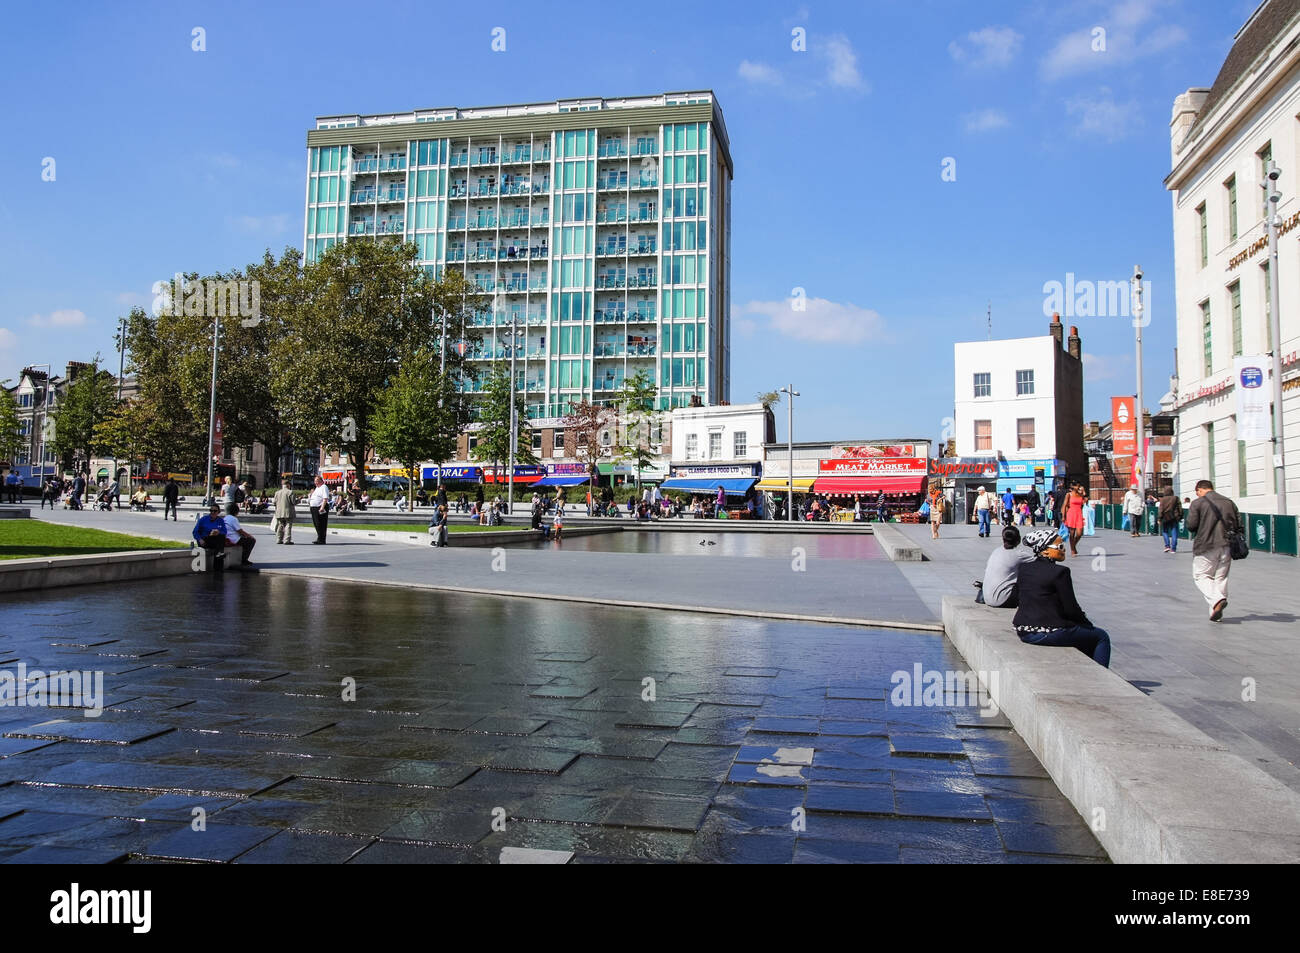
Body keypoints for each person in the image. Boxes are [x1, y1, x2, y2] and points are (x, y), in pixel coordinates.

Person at [1012, 528, 1111, 667]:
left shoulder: (1024, 568)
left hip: (1023, 631)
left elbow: (1018, 596)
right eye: (1059, 547)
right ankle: (1102, 677)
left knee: (1083, 634)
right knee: (1101, 636)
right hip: (1048, 632)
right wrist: (1087, 624)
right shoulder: (1061, 572)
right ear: (1045, 550)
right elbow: (1071, 609)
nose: (1063, 550)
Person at [1185, 479, 1242, 622]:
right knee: (1221, 578)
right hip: (1227, 545)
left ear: (1200, 490)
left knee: (1201, 576)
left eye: (1197, 492)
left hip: (1206, 545)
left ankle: (1217, 600)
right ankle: (1215, 612)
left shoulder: (1198, 503)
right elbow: (1239, 524)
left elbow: (1191, 526)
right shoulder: (1229, 502)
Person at [975, 526, 1035, 607]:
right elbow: (1039, 563)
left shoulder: (996, 551)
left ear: (1003, 539)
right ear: (1018, 539)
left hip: (986, 597)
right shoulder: (1018, 555)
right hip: (1002, 600)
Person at [193, 503, 230, 567]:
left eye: (215, 511)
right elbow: (195, 532)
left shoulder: (220, 520)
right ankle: (218, 561)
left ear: (218, 512)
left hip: (215, 541)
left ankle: (218, 568)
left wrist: (218, 532)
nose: (212, 512)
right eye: (211, 511)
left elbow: (224, 531)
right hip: (204, 540)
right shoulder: (203, 519)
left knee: (220, 538)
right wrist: (200, 539)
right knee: (220, 543)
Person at [1158, 487, 1183, 554]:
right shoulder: (1176, 498)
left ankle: (1167, 546)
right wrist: (1180, 516)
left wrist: (1159, 518)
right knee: (1174, 532)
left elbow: (1161, 510)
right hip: (1174, 517)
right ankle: (1173, 548)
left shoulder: (1163, 500)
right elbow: (1180, 508)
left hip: (1165, 517)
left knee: (1165, 531)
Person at [1063, 483, 1086, 557]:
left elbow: (1084, 501)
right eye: (1077, 486)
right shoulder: (1068, 495)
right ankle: (1073, 550)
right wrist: (1064, 516)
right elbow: (1064, 505)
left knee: (1079, 533)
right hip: (1071, 514)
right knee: (1072, 533)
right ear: (1072, 486)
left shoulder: (1080, 495)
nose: (1078, 487)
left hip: (1079, 514)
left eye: (1079, 486)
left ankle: (1073, 545)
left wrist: (1083, 491)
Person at [273, 478, 297, 545]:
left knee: (280, 525)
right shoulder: (290, 492)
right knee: (288, 525)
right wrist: (299, 500)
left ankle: (279, 539)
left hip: (279, 512)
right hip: (288, 512)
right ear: (288, 485)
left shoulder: (277, 492)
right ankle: (287, 540)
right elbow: (293, 502)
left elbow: (274, 503)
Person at [307, 476, 330, 544]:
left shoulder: (324, 487)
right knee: (316, 523)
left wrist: (322, 507)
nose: (315, 482)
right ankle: (319, 537)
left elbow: (325, 498)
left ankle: (322, 539)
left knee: (321, 523)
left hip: (320, 507)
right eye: (315, 481)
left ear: (321, 481)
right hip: (314, 507)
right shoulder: (317, 488)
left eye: (317, 481)